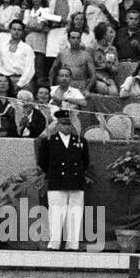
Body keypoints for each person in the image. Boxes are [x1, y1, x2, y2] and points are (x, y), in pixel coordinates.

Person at [36, 107, 89, 250]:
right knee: (56, 214)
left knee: (75, 213)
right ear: (58, 124)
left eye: (68, 123)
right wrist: (54, 173)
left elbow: (86, 162)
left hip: (75, 182)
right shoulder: (49, 141)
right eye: (63, 123)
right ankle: (54, 243)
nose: (66, 126)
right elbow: (42, 162)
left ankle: (72, 244)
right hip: (57, 180)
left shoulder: (81, 141)